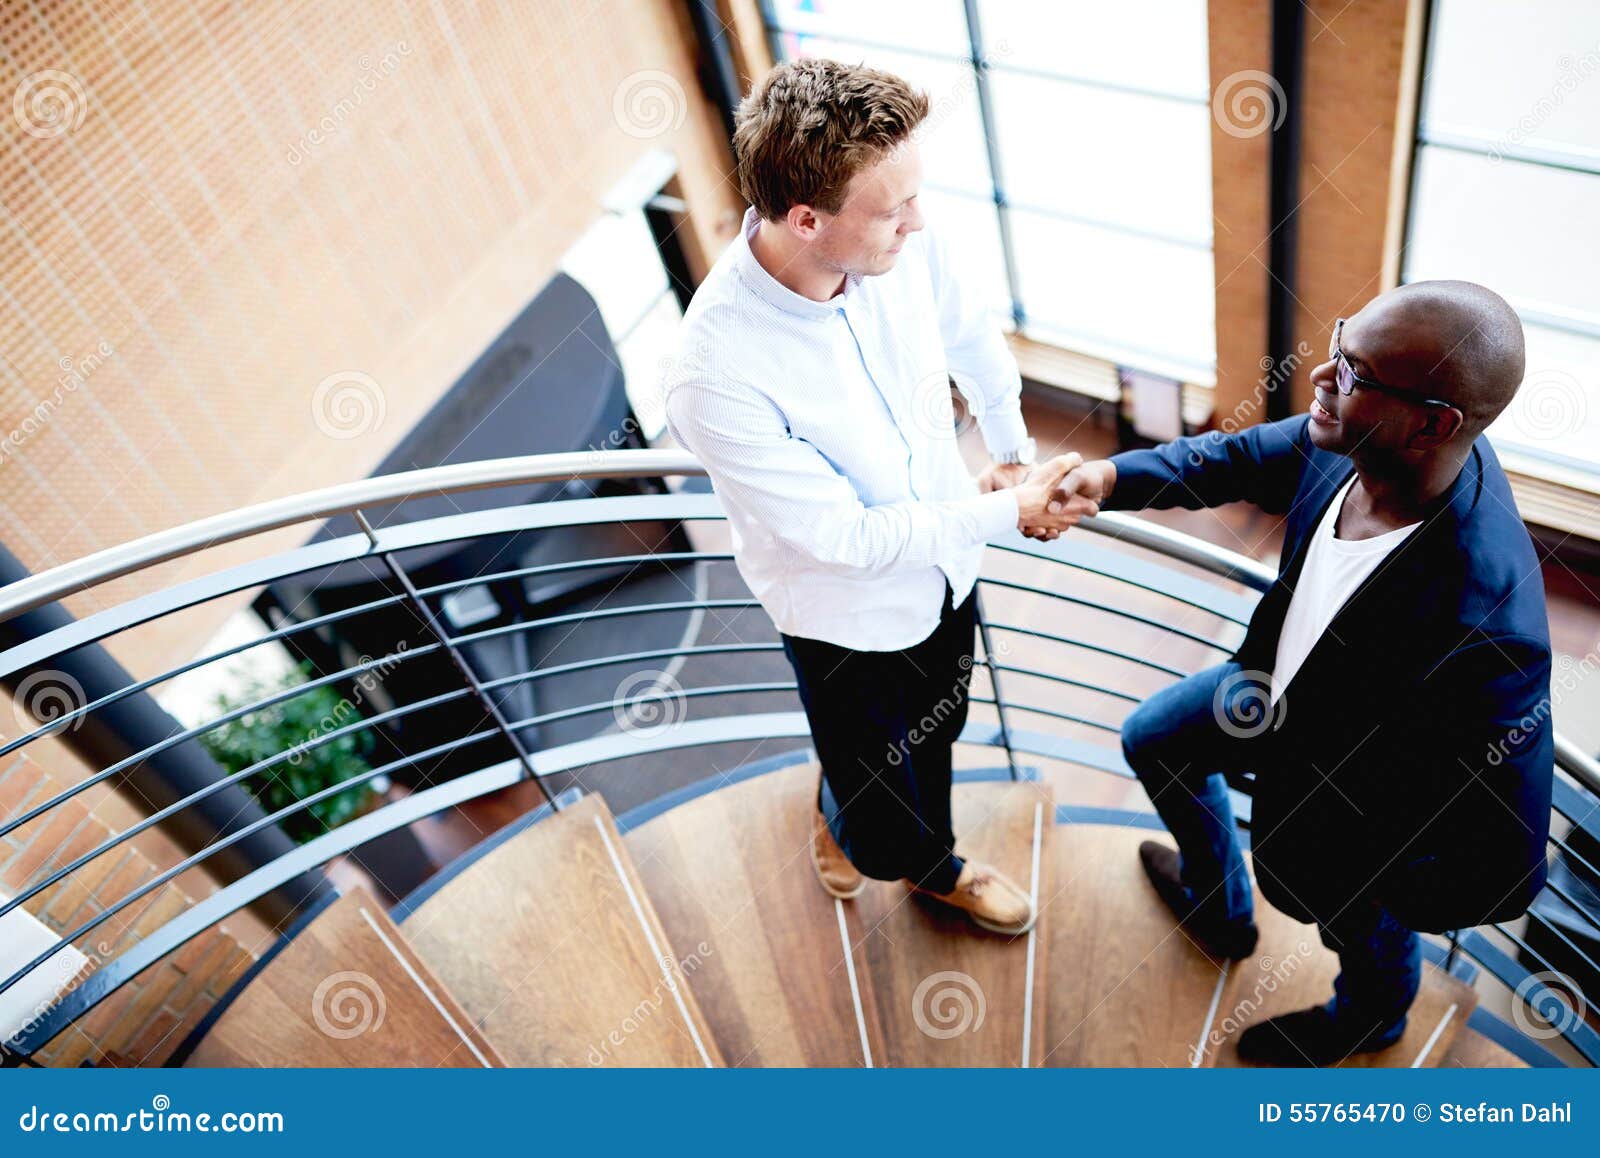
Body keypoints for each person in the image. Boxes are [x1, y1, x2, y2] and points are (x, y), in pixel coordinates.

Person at [1057, 281, 1554, 1064]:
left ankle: (1370, 1018)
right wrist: (1109, 482)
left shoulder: (1489, 625)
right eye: (1339, 345)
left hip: (1354, 811)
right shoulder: (1352, 443)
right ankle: (1220, 905)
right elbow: (1233, 458)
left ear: (1434, 424)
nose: (1321, 377)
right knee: (1154, 739)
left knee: (1360, 932)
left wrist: (1381, 884)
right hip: (1267, 692)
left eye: (1354, 372)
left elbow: (1508, 867)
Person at [663, 59, 1094, 935]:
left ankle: (894, 837)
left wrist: (1011, 455)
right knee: (882, 828)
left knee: (945, 723)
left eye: (914, 197)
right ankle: (883, 841)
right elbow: (847, 538)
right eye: (894, 208)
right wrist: (1007, 512)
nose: (918, 221)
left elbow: (971, 336)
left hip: (947, 570)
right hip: (845, 624)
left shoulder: (898, 241)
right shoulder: (711, 373)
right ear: (807, 218)